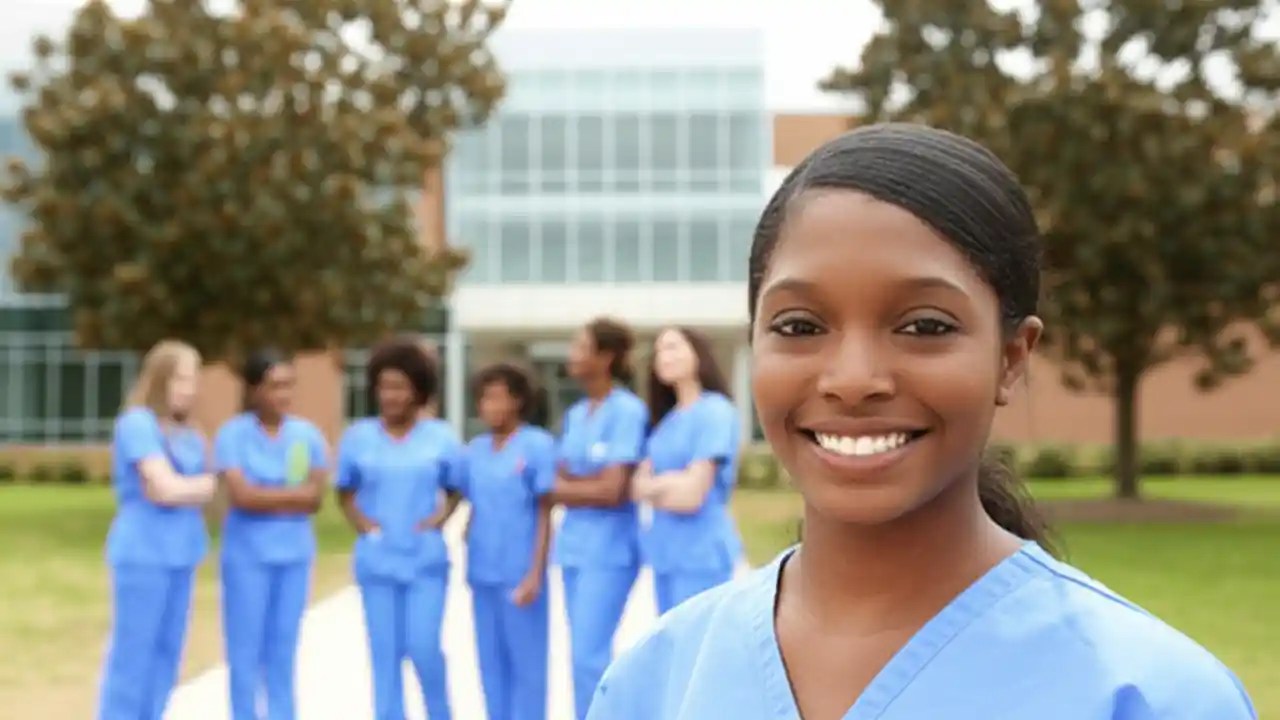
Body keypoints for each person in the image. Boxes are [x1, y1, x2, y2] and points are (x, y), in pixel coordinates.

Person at [586, 124, 1258, 720]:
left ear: (1012, 358)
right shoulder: (657, 681)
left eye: (924, 326)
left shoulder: (1153, 696)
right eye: (800, 325)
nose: (851, 380)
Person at [335, 336, 462, 720]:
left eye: (399, 387)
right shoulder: (358, 438)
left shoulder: (440, 437)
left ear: (418, 391)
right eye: (384, 386)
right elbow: (344, 490)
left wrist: (439, 519)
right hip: (377, 563)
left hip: (424, 561)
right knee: (384, 657)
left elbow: (456, 488)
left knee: (423, 647)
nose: (389, 396)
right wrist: (364, 526)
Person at [98, 340, 216, 720]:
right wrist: (214, 484)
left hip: (182, 554)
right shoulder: (138, 424)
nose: (189, 387)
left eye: (194, 379)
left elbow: (194, 490)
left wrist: (204, 487)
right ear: (160, 378)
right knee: (134, 654)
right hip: (143, 554)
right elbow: (162, 487)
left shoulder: (191, 434)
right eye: (181, 378)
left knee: (168, 655)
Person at [214, 350, 329, 720]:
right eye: (274, 386)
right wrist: (289, 497)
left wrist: (265, 494)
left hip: (294, 558)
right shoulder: (233, 436)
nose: (283, 394)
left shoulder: (306, 435)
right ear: (253, 390)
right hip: (247, 559)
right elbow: (241, 496)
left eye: (288, 386)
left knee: (283, 651)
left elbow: (315, 499)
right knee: (245, 652)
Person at [549, 317, 648, 719]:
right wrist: (582, 485)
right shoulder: (577, 414)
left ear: (605, 357)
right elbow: (568, 474)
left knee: (591, 655)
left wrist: (560, 490)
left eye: (580, 346)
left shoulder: (627, 411)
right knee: (580, 654)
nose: (572, 355)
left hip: (609, 552)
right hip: (573, 548)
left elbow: (612, 491)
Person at [459, 362, 556, 720]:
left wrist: (535, 574)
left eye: (498, 398)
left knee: (527, 668)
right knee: (490, 665)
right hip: (483, 572)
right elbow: (471, 503)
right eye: (484, 398)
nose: (490, 406)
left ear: (518, 401)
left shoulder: (537, 445)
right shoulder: (475, 450)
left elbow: (546, 513)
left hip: (520, 573)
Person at [632, 326, 743, 614]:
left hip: (701, 556)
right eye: (659, 351)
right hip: (665, 555)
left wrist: (656, 487)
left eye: (673, 347)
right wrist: (673, 482)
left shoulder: (715, 411)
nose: (664, 357)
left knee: (700, 650)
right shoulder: (666, 422)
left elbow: (691, 497)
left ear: (698, 354)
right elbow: (636, 487)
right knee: (674, 653)